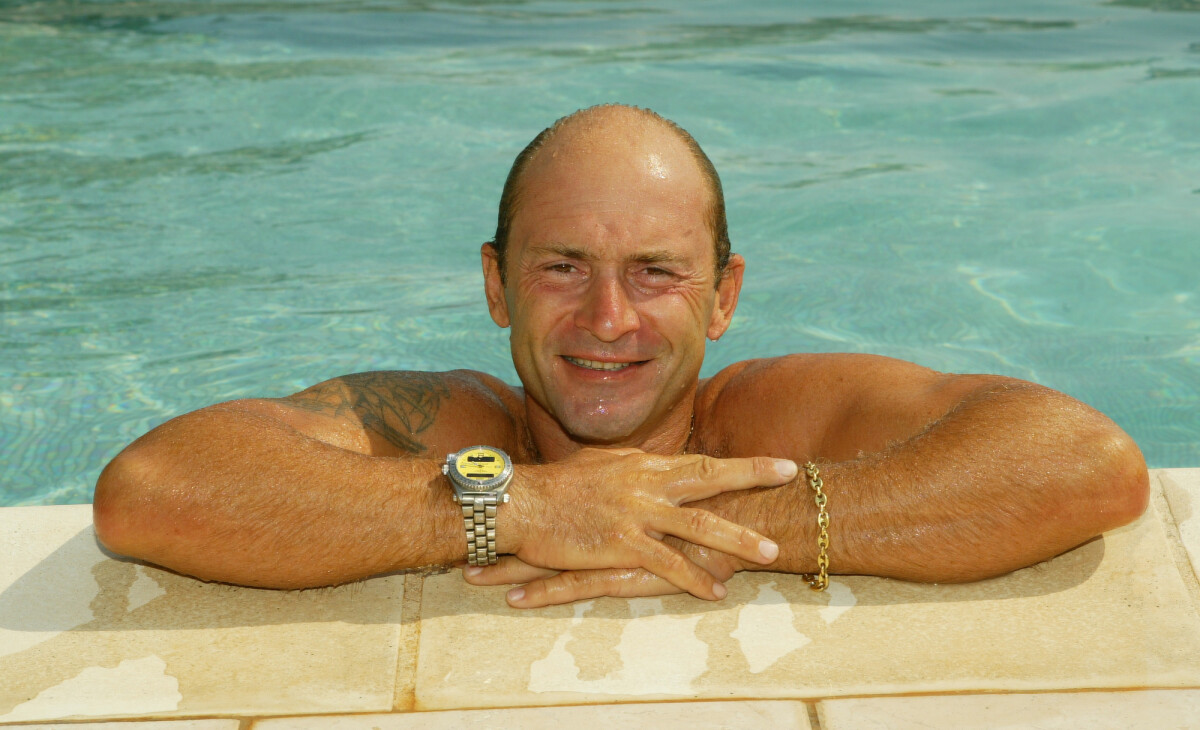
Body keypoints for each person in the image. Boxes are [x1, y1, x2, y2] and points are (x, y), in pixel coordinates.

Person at [93, 104, 1149, 609]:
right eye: (562, 267)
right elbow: (152, 489)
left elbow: (1084, 462)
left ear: (726, 295)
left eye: (655, 270)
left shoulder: (776, 419)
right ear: (497, 282)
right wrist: (516, 508)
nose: (608, 318)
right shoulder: (458, 429)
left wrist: (698, 523)